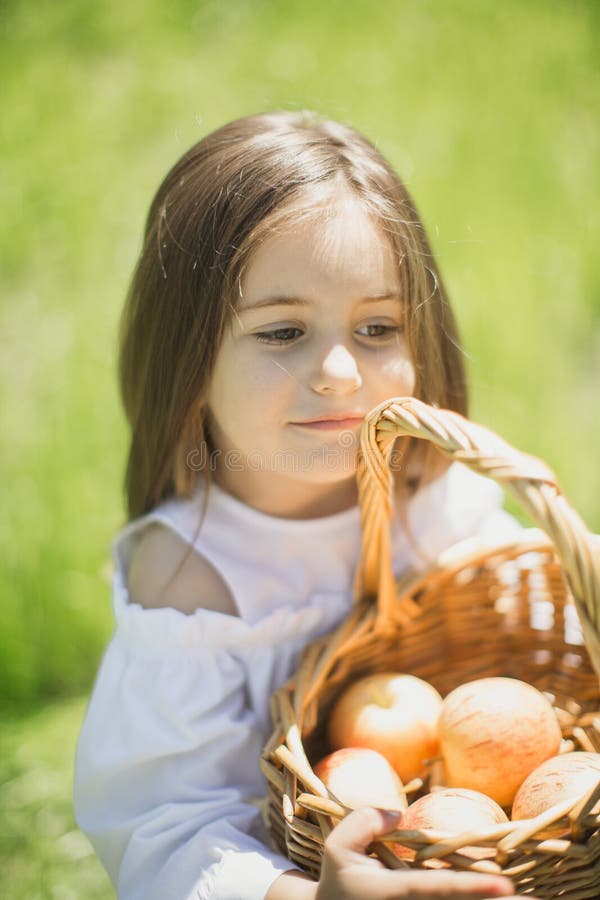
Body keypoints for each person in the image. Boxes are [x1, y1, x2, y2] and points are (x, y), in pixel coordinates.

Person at [74, 111, 526, 900]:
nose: (343, 371)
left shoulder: (433, 494)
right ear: (189, 357)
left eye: (378, 325)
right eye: (282, 330)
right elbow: (163, 826)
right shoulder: (195, 576)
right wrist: (304, 894)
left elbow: (544, 631)